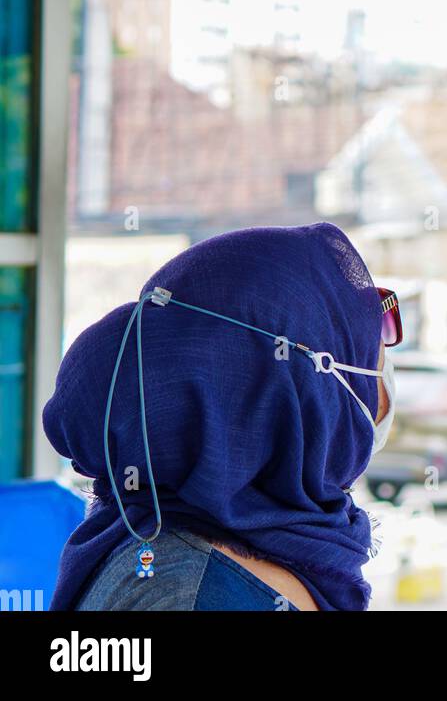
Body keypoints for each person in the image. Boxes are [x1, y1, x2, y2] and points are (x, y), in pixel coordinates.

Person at [42, 223, 399, 611]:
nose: (384, 351)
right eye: (370, 332)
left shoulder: (255, 550)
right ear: (294, 389)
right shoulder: (195, 594)